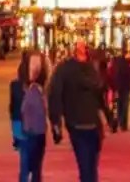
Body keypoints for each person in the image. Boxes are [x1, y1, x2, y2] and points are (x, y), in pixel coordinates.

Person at [49, 39, 115, 182]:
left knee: (86, 166)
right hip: (89, 123)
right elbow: (100, 96)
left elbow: (55, 95)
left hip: (79, 123)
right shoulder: (90, 70)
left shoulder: (66, 69)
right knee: (90, 166)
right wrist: (109, 116)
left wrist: (56, 123)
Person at [19, 52, 51, 182]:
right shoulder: (36, 92)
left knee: (30, 164)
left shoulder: (34, 91)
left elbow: (23, 110)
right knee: (33, 165)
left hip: (32, 130)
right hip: (36, 131)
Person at [10, 58, 32, 151]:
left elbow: (13, 101)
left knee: (17, 121)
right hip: (29, 116)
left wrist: (11, 112)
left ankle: (17, 140)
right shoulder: (33, 85)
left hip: (17, 114)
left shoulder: (14, 84)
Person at [109, 48, 130, 132]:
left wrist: (112, 86)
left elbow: (111, 75)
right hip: (124, 87)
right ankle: (123, 124)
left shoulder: (115, 63)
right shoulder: (127, 63)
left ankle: (117, 123)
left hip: (117, 88)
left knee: (117, 106)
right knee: (124, 106)